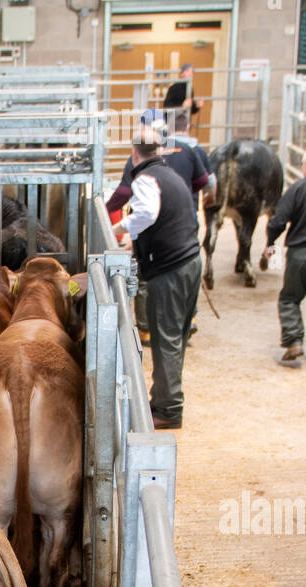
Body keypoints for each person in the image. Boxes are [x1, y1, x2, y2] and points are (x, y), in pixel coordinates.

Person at [116, 134, 203, 429]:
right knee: (175, 336)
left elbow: (146, 215)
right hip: (191, 262)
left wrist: (117, 228)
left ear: (134, 154)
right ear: (159, 150)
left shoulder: (145, 180)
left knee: (165, 338)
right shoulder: (172, 176)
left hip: (170, 269)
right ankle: (167, 400)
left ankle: (167, 409)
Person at [106, 111, 212, 344]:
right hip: (185, 221)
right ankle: (188, 319)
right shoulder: (189, 152)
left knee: (153, 277)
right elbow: (206, 181)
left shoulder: (144, 172)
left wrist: (109, 218)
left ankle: (146, 329)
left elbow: (129, 197)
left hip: (158, 235)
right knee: (184, 269)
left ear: (136, 151)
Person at [264, 153, 306, 367]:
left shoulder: (298, 189)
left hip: (300, 253)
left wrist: (270, 243)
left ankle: (294, 341)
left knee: (290, 298)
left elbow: (278, 220)